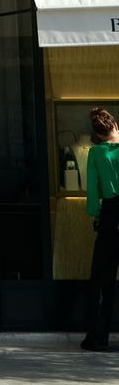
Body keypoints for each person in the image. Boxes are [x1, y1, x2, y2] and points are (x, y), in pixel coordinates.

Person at [82, 107, 119, 351]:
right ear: (115, 125)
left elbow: (93, 191)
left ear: (97, 134)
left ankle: (97, 336)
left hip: (111, 214)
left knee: (101, 278)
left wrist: (96, 215)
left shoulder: (96, 153)